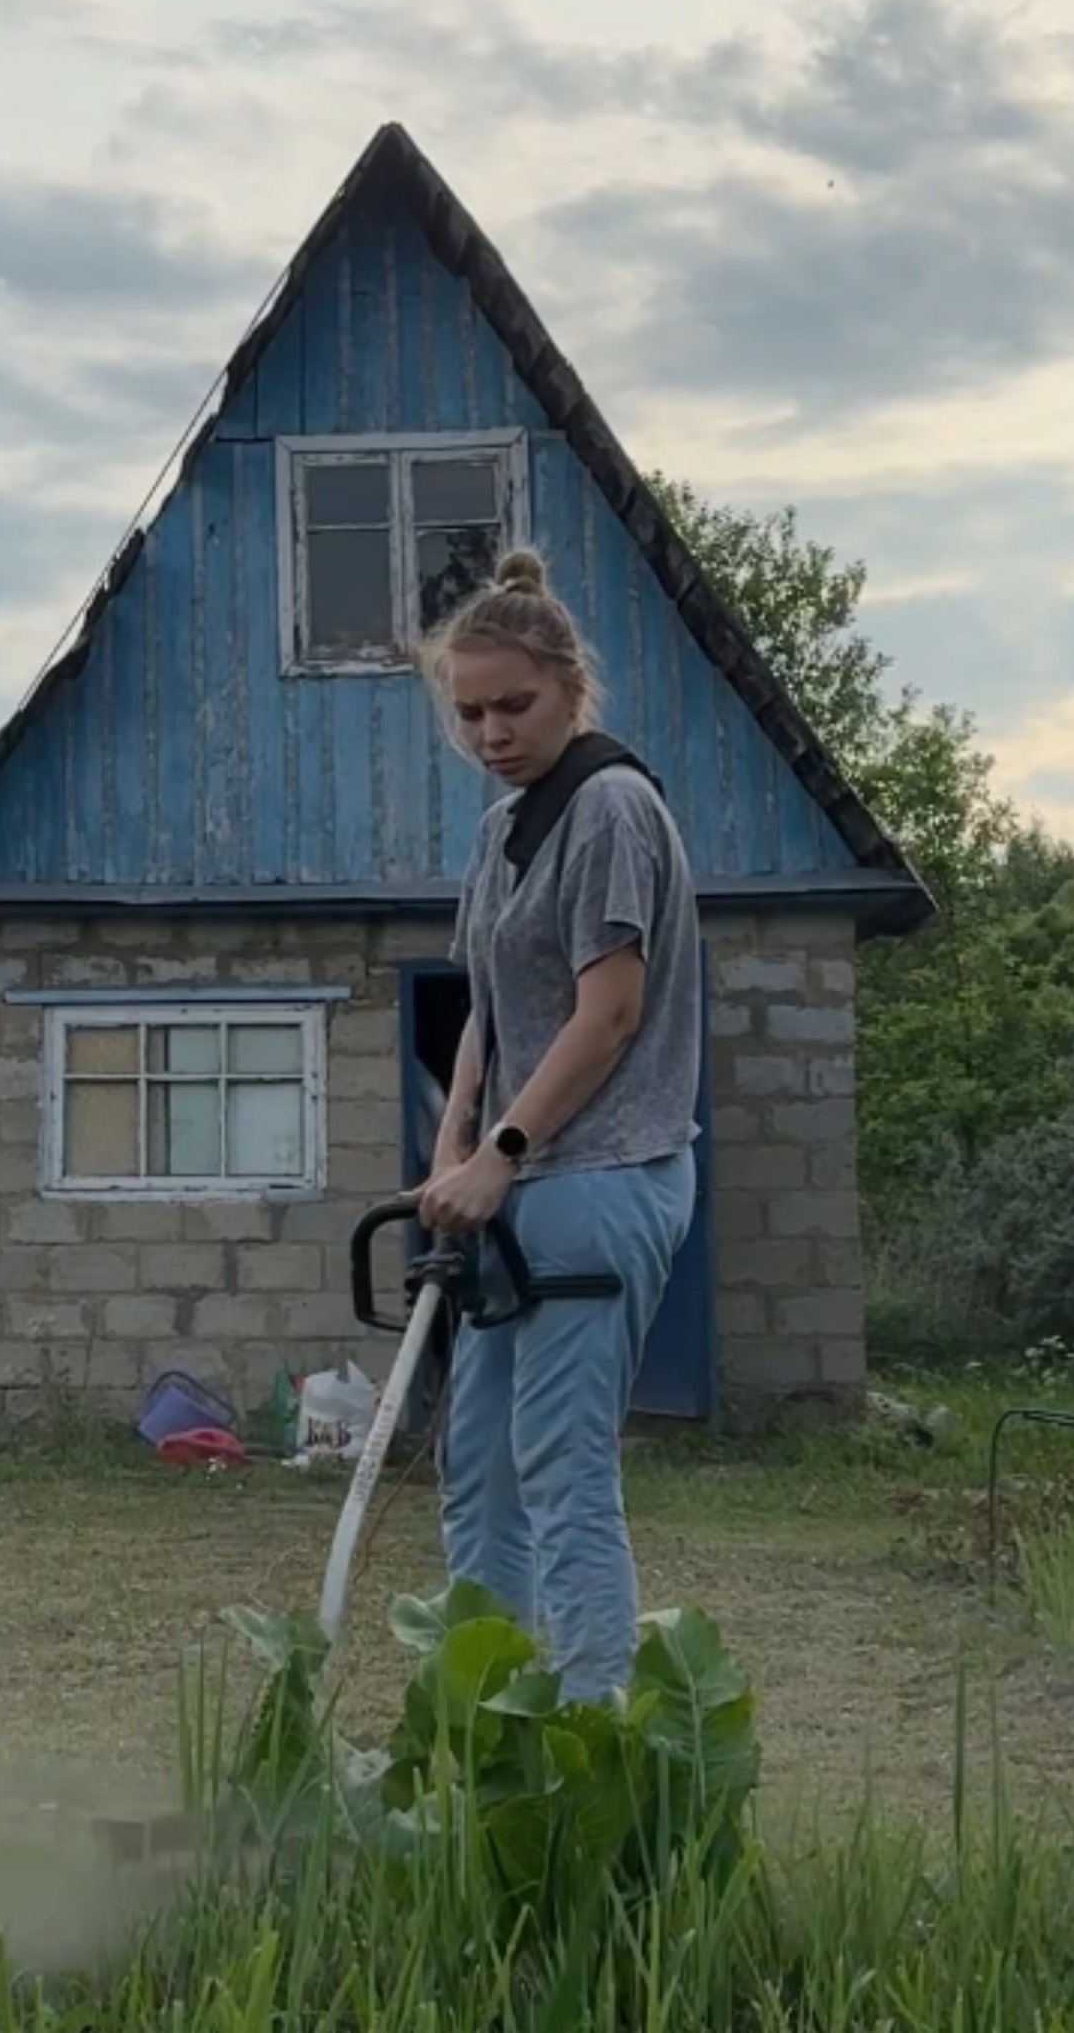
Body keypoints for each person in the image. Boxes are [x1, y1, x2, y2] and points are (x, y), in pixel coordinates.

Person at [408, 544, 703, 1703]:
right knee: (476, 1465)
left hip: (605, 1172)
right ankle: (489, 1715)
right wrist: (455, 1146)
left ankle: (590, 1737)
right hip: (514, 1186)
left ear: (572, 689)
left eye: (513, 705)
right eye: (469, 713)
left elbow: (610, 1010)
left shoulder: (612, 807)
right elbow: (487, 1004)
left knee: (562, 1469)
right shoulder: (501, 833)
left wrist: (508, 1152)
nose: (490, 732)